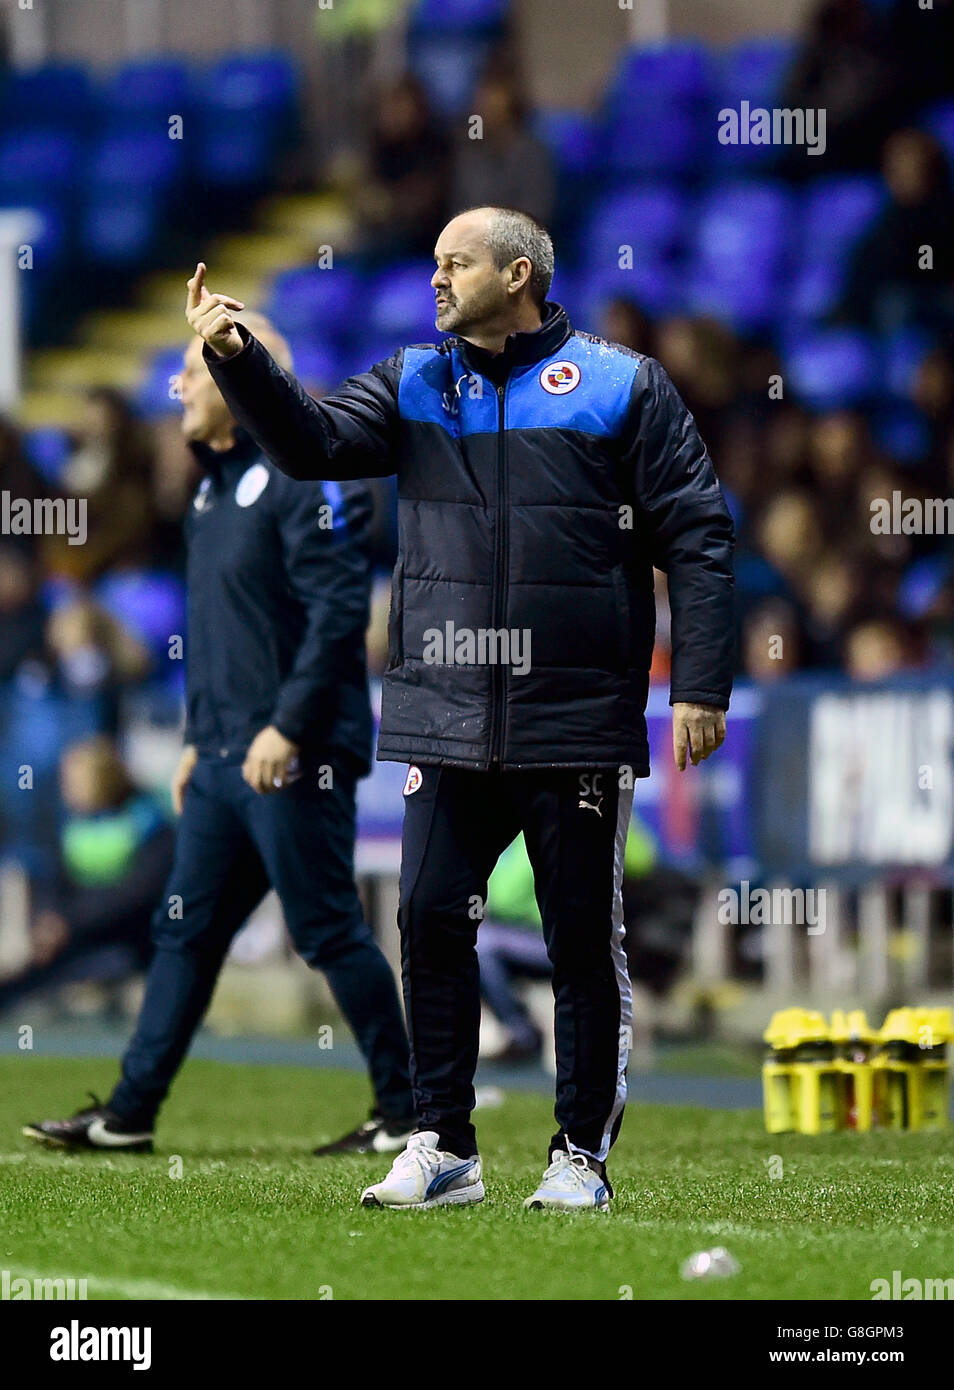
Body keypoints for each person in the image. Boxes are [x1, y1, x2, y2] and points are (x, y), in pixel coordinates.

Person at [188, 205, 734, 1212]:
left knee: (579, 940)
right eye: (433, 262)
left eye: (456, 263)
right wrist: (239, 362)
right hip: (443, 716)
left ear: (518, 273)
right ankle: (443, 1142)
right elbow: (308, 443)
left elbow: (698, 533)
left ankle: (579, 1156)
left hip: (572, 716)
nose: (435, 280)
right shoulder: (412, 383)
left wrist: (700, 681)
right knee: (431, 922)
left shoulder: (623, 384)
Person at [24, 312, 415, 1157]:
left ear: (245, 387)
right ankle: (128, 1114)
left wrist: (288, 726)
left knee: (326, 931)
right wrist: (202, 737)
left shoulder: (307, 477)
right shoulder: (210, 491)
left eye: (197, 376)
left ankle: (408, 1109)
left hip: (291, 757)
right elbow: (220, 634)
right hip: (221, 756)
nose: (178, 391)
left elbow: (340, 614)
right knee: (185, 931)